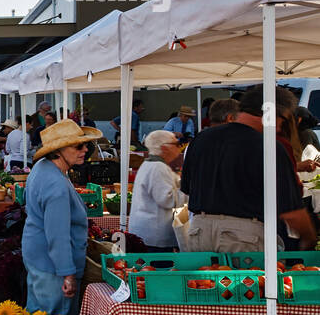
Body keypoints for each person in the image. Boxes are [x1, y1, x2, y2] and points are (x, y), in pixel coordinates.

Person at [181, 85, 316, 252]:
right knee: (245, 279)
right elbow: (291, 211)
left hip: (199, 232)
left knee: (204, 279)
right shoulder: (268, 146)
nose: (280, 128)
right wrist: (309, 238)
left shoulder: (201, 139)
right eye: (283, 121)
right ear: (271, 114)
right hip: (242, 237)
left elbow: (186, 188)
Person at [22, 119, 99, 315]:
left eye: (86, 144)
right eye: (78, 146)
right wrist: (67, 274)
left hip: (40, 260)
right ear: (59, 150)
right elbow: (58, 235)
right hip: (53, 268)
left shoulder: (42, 168)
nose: (85, 149)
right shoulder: (56, 184)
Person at [129, 130, 186, 251]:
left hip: (148, 232)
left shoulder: (151, 165)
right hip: (154, 235)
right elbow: (167, 200)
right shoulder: (158, 167)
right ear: (165, 148)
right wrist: (189, 192)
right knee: (159, 267)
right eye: (176, 144)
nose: (179, 147)